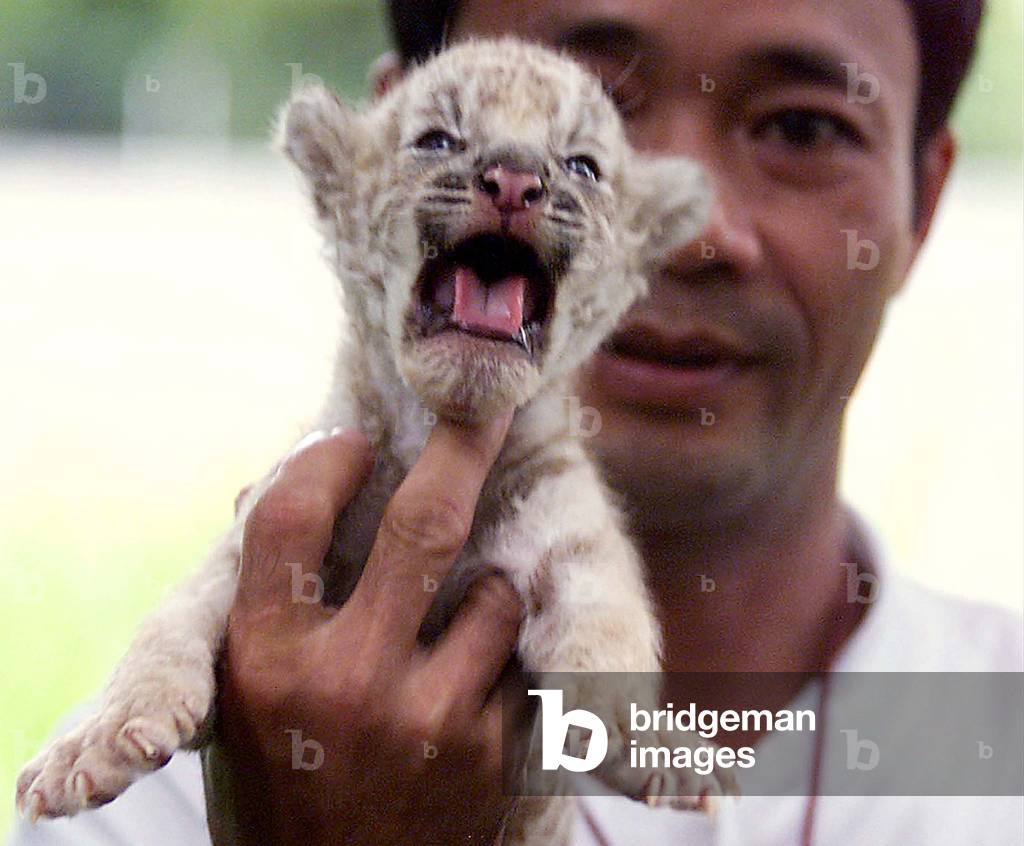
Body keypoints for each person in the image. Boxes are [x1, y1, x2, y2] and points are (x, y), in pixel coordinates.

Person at [10, 1, 1021, 844]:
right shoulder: (138, 788)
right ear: (362, 164)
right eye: (450, 142)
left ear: (921, 201)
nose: (694, 234)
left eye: (801, 127)